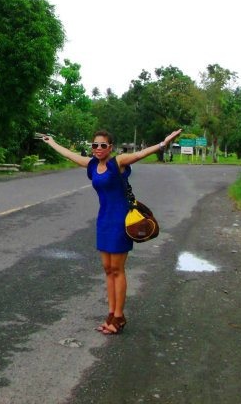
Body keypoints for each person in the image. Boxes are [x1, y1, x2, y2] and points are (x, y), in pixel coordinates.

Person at [35, 127, 182, 335]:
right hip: (104, 220)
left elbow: (140, 154)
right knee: (107, 269)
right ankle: (111, 314)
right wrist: (51, 142)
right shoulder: (93, 165)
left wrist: (163, 143)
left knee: (117, 269)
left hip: (121, 221)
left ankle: (119, 316)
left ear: (110, 148)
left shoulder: (118, 163)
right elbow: (70, 155)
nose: (98, 149)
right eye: (94, 145)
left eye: (102, 145)